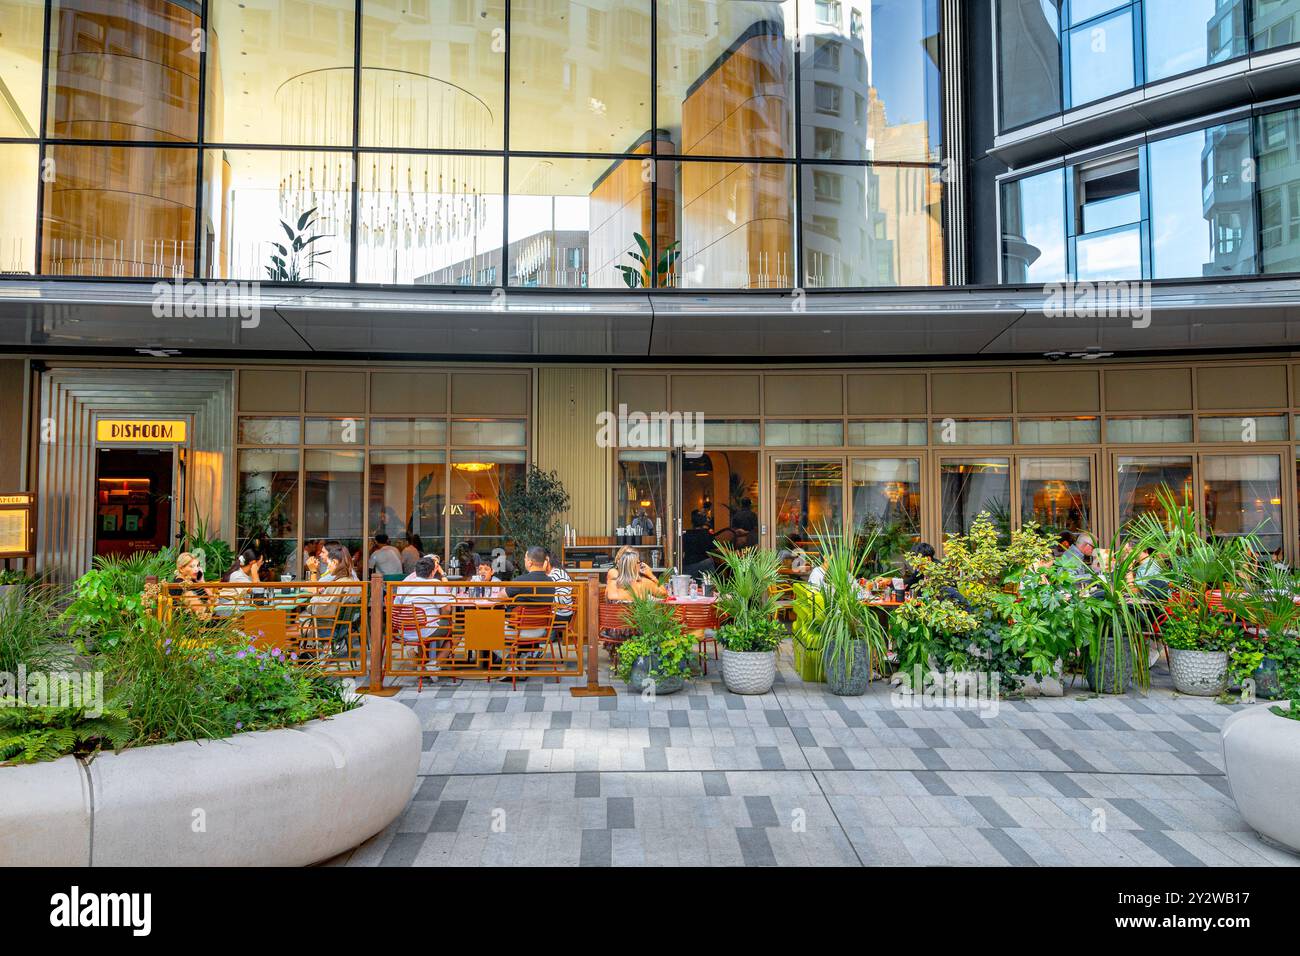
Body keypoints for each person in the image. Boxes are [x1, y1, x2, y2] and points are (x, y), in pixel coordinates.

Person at [309, 543, 362, 652]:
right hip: (341, 627)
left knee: (295, 626)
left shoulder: (339, 583)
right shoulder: (348, 579)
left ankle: (301, 659)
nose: (327, 567)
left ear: (334, 562)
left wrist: (314, 599)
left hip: (329, 628)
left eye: (328, 562)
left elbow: (318, 608)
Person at [173, 551, 212, 619]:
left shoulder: (193, 581)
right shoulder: (180, 585)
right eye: (192, 566)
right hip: (195, 623)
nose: (196, 570)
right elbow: (199, 610)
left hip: (208, 617)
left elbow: (213, 600)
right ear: (181, 569)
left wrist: (202, 582)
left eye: (197, 566)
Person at [545, 548, 575, 637]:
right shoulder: (554, 573)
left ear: (547, 561)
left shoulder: (556, 574)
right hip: (559, 612)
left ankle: (539, 638)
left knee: (531, 612)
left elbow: (562, 599)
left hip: (561, 615)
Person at [682, 510, 716, 580]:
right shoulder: (707, 534)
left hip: (688, 567)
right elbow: (716, 548)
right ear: (704, 522)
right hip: (704, 565)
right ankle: (707, 587)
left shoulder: (686, 534)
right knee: (709, 562)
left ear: (692, 522)